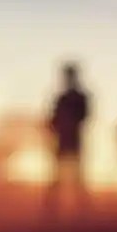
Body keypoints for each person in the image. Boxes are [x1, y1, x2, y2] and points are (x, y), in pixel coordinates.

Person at [46, 62, 91, 215]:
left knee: (77, 178)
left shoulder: (78, 97)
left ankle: (82, 212)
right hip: (63, 140)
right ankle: (52, 212)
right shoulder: (62, 98)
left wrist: (66, 122)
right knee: (58, 177)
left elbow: (84, 116)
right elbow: (52, 120)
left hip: (73, 139)